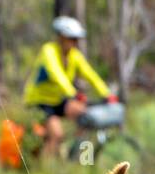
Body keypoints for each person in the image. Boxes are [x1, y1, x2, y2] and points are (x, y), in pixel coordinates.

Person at [23, 16, 117, 157]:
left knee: (86, 115)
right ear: (61, 37)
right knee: (57, 134)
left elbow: (91, 75)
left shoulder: (75, 56)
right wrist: (73, 93)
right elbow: (56, 74)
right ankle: (45, 170)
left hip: (58, 100)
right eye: (72, 38)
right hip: (40, 101)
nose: (75, 42)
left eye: (77, 39)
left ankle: (82, 158)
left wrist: (106, 94)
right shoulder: (48, 51)